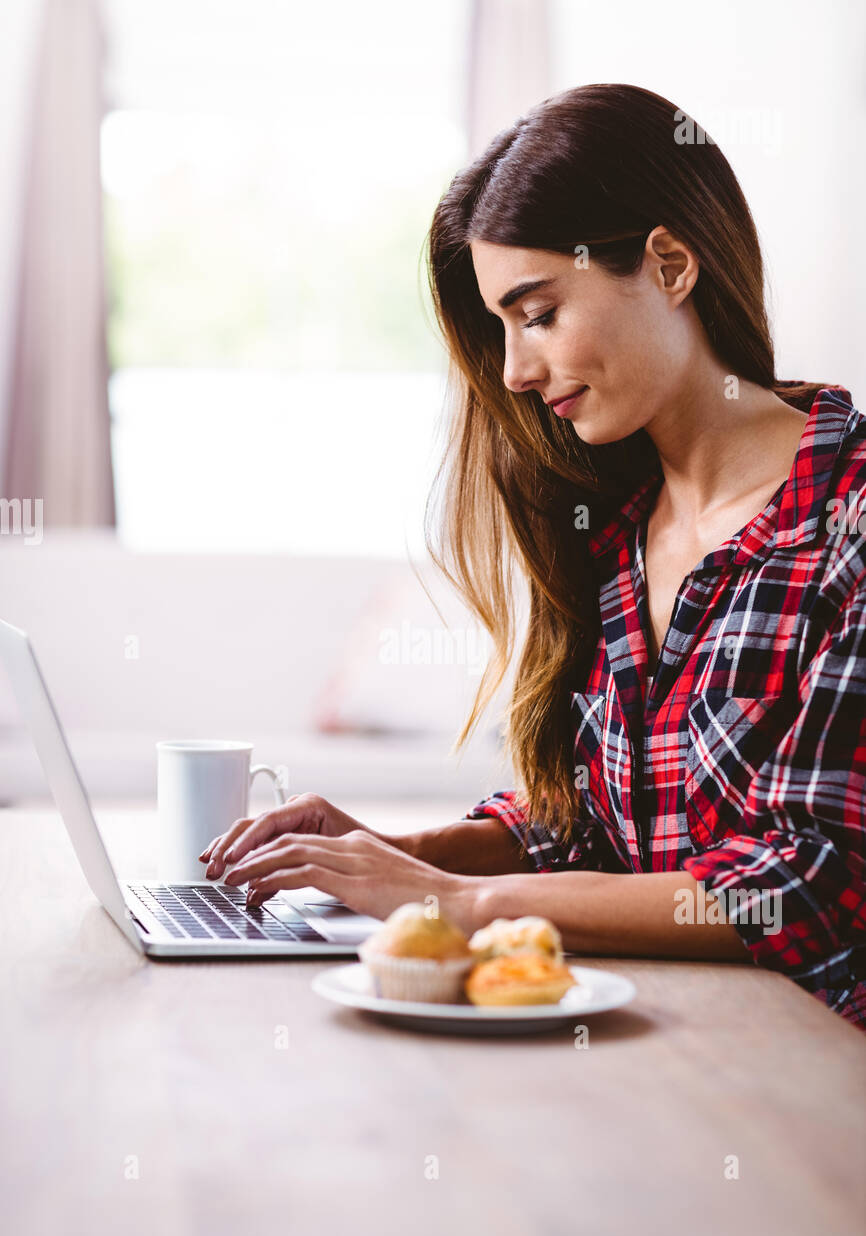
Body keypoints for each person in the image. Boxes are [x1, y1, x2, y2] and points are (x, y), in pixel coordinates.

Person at [201, 83, 866, 1030]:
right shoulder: (613, 523)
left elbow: (813, 887)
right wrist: (395, 854)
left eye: (539, 313)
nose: (514, 370)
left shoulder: (846, 521)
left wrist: (461, 902)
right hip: (645, 1044)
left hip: (801, 1073)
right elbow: (589, 824)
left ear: (670, 264)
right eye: (502, 327)